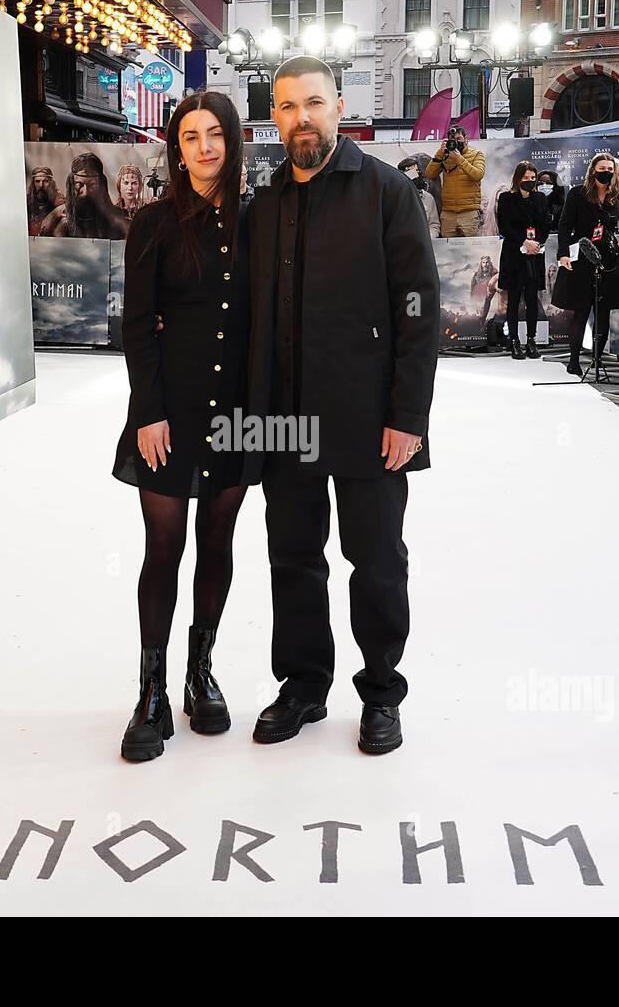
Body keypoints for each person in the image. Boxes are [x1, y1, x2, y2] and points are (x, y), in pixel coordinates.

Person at [244, 55, 440, 754]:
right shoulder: (264, 205)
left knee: (377, 561)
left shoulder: (387, 193)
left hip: (370, 422)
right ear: (274, 114)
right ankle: (302, 686)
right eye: (290, 105)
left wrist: (408, 419)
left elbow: (418, 311)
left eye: (316, 103)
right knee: (293, 560)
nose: (303, 117)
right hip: (284, 423)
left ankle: (382, 691)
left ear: (339, 106)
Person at [111, 91, 253, 762]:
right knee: (163, 545)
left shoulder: (261, 221)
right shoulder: (156, 224)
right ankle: (151, 691)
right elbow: (137, 325)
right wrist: (148, 412)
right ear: (176, 147)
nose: (203, 147)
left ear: (232, 139)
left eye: (214, 133)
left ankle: (201, 673)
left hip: (240, 411)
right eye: (190, 136)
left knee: (217, 541)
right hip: (169, 409)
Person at [552, 152, 619, 375]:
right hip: (582, 256)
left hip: (608, 258)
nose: (606, 173)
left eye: (610, 169)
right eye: (602, 169)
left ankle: (597, 359)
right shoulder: (577, 194)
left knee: (603, 311)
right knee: (580, 311)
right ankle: (574, 360)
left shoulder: (618, 195)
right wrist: (563, 254)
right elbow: (564, 225)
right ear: (593, 170)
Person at [496, 161, 551, 360]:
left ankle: (531, 339)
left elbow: (546, 223)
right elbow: (504, 226)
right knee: (513, 298)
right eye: (525, 178)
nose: (529, 181)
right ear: (518, 178)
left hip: (535, 254)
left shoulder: (541, 198)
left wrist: (536, 243)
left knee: (531, 298)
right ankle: (514, 341)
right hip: (514, 253)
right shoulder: (506, 198)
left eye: (532, 178)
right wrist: (523, 241)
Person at [44, 152, 132, 239]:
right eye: (79, 184)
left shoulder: (118, 218)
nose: (86, 192)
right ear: (72, 184)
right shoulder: (56, 218)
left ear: (101, 184)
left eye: (92, 185)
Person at [426, 123, 487, 236]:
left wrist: (460, 159)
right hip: (448, 213)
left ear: (466, 139)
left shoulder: (476, 154)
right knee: (448, 251)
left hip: (469, 212)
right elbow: (429, 174)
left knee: (470, 250)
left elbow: (478, 174)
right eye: (452, 139)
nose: (456, 142)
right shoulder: (444, 155)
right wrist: (440, 154)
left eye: (459, 138)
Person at [397, 156, 442, 236]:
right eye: (412, 174)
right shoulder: (395, 199)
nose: (417, 177)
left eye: (418, 172)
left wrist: (428, 238)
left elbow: (434, 225)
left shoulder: (428, 198)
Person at [27, 166, 63, 236]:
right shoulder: (27, 201)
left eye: (45, 181)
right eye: (37, 181)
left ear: (51, 183)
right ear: (33, 183)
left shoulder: (59, 199)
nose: (41, 185)